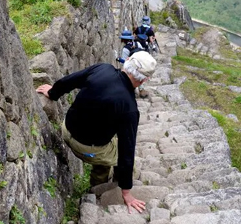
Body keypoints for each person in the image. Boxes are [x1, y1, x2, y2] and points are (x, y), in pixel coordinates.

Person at [36, 50, 157, 214]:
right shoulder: (129, 108)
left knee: (111, 141)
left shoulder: (102, 69)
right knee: (123, 162)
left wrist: (52, 92)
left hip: (67, 129)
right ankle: (98, 188)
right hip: (86, 148)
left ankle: (101, 180)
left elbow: (71, 80)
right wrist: (126, 192)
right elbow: (126, 151)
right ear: (145, 79)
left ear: (127, 61)